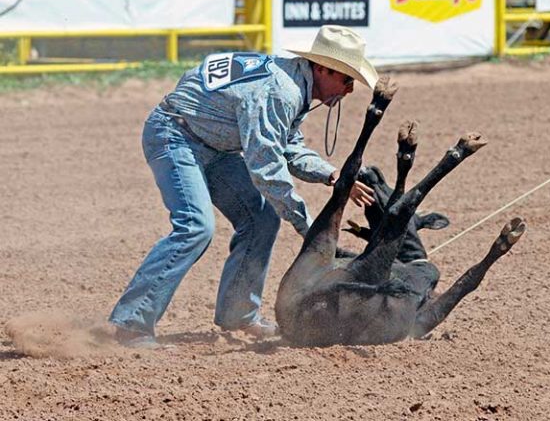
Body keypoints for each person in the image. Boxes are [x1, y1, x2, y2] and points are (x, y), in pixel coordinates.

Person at [109, 25, 378, 348]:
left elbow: (287, 147)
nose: (349, 89)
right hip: (175, 135)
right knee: (195, 227)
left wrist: (333, 176)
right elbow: (266, 167)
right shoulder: (282, 91)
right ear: (322, 68)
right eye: (346, 79)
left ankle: (239, 313)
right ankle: (131, 324)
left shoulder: (291, 82)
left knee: (261, 218)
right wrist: (308, 226)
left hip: (209, 143)